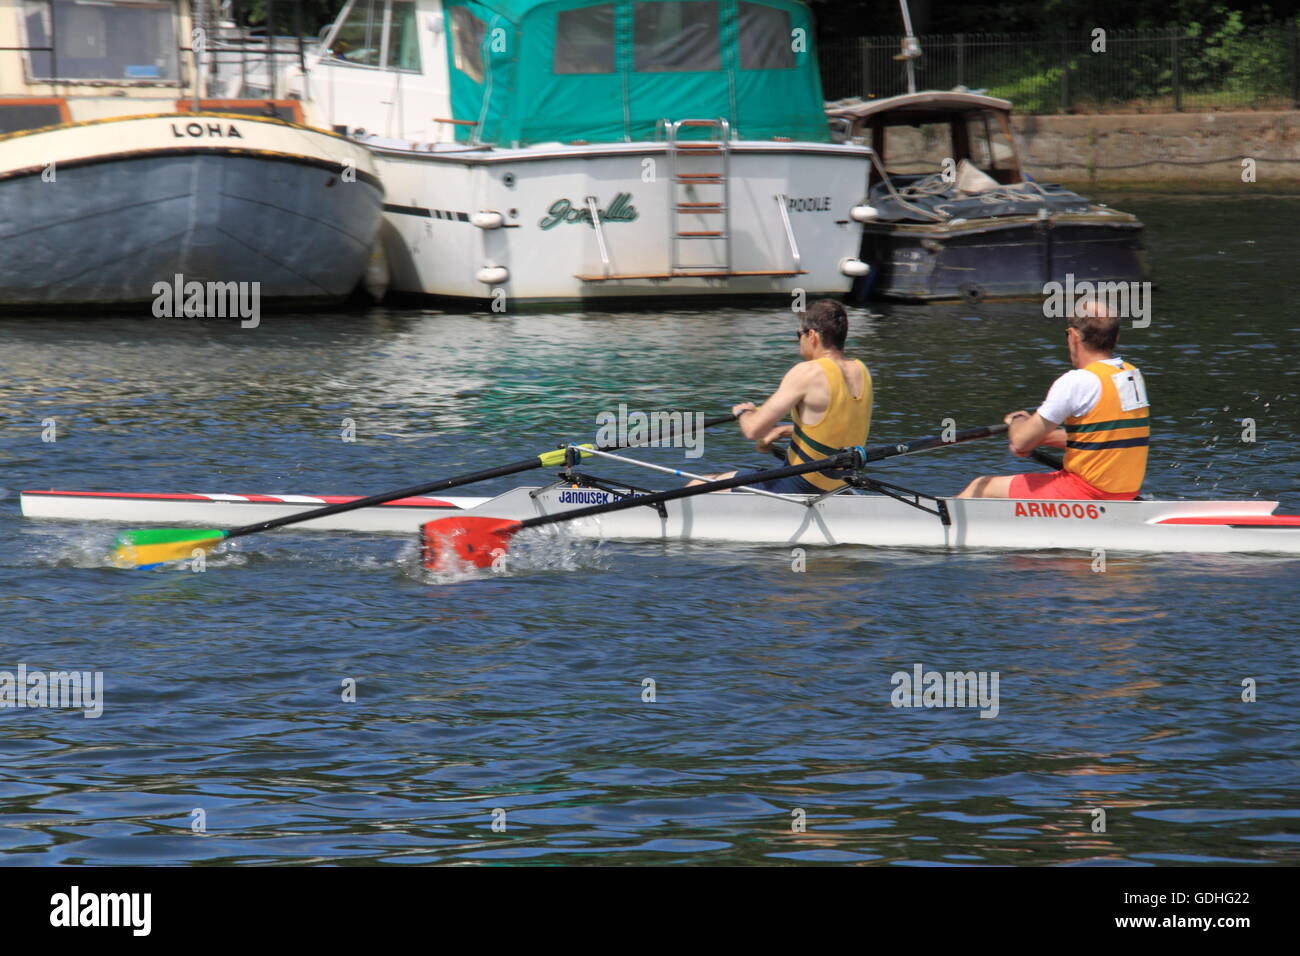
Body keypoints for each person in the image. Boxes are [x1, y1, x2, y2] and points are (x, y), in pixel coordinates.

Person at [958, 302, 1150, 500]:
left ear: (1073, 336)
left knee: (981, 487)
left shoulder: (1076, 381)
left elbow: (1020, 442)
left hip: (1084, 493)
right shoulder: (1131, 375)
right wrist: (1042, 437)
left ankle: (940, 527)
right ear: (1116, 337)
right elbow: (1102, 438)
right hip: (1124, 493)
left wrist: (1018, 421)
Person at [690, 299, 872, 494]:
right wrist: (781, 431)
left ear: (812, 336)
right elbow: (836, 428)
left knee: (699, 484)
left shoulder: (807, 372)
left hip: (801, 484)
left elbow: (753, 430)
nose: (799, 340)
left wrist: (744, 412)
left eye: (798, 334)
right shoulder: (861, 371)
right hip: (840, 483)